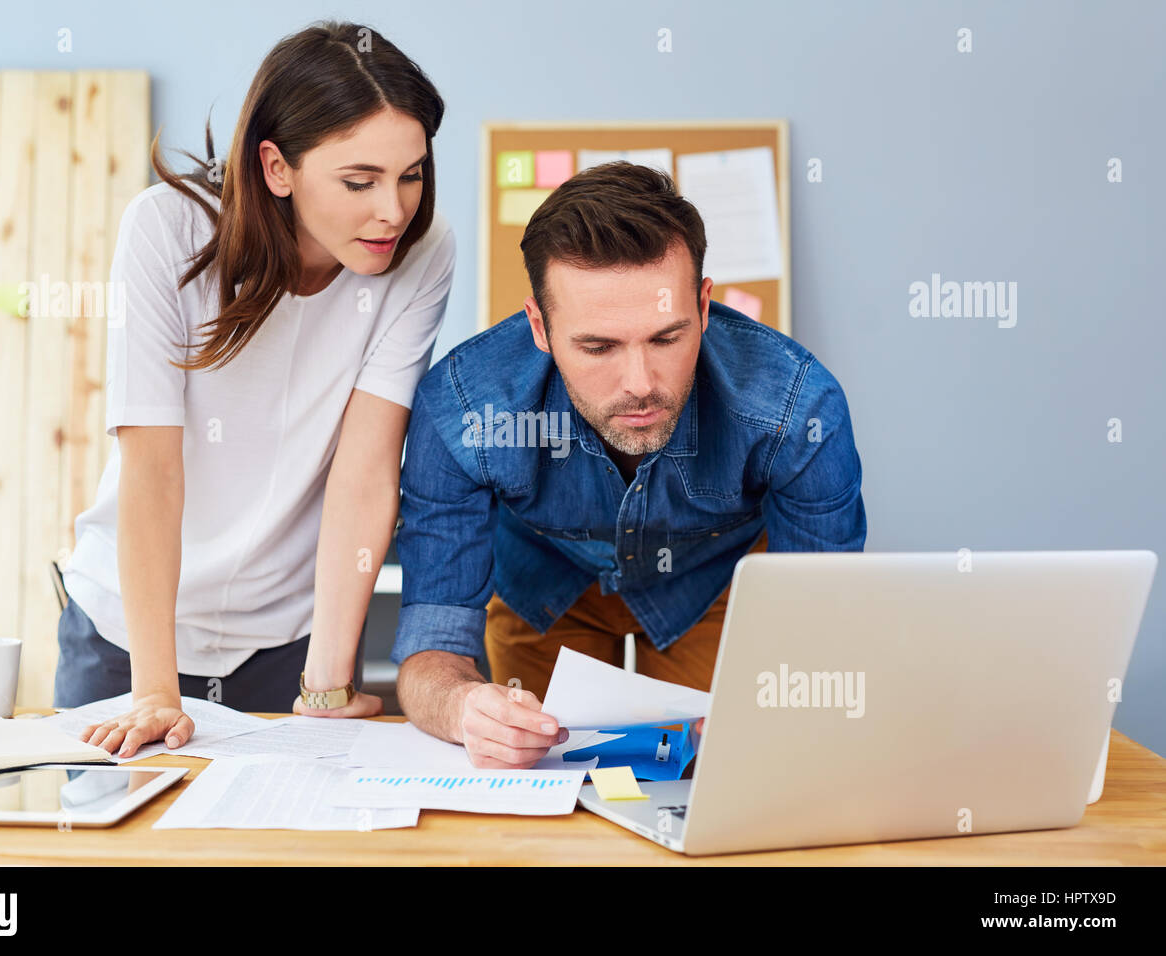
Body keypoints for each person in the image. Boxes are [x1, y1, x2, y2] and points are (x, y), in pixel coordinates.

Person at [53, 22, 455, 758]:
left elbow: (364, 470)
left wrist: (328, 687)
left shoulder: (423, 253)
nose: (393, 210)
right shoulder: (168, 230)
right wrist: (152, 692)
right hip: (129, 635)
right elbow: (153, 468)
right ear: (277, 167)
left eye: (412, 174)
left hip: (285, 640)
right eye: (359, 182)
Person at [390, 161, 865, 769]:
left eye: (666, 338)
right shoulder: (461, 409)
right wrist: (461, 706)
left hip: (710, 583)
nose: (640, 385)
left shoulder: (797, 408)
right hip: (544, 583)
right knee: (539, 774)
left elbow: (820, 631)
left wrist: (779, 705)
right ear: (540, 326)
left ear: (703, 303)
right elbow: (431, 652)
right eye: (598, 347)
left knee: (720, 774)